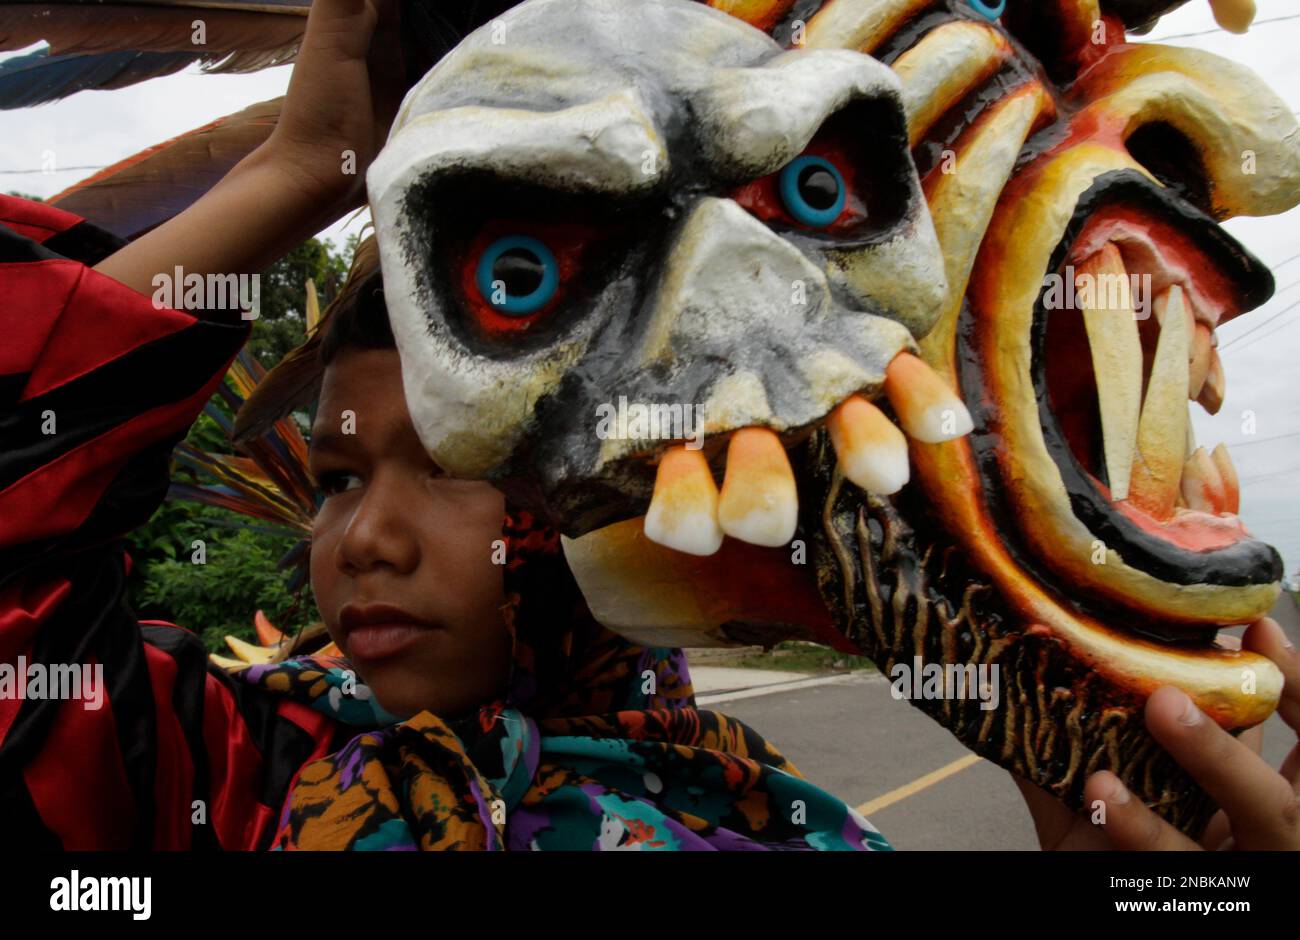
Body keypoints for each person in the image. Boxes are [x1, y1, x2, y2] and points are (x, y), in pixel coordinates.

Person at [1, 0, 1296, 851]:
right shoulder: (228, 775)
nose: (365, 543)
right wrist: (304, 170)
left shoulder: (795, 838)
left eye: (441, 472)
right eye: (336, 480)